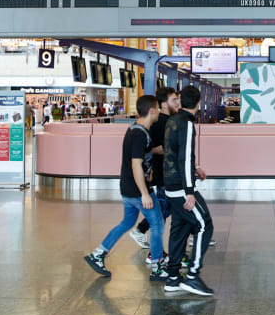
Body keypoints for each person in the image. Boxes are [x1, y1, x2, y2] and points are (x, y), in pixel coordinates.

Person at [84, 95, 167, 281]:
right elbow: (136, 165)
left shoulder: (134, 129)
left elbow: (138, 154)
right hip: (138, 190)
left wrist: (154, 150)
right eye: (158, 109)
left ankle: (98, 254)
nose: (159, 112)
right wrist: (145, 194)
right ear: (151, 111)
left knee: (127, 223)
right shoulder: (140, 134)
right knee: (157, 223)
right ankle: (157, 267)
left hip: (127, 188)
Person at [163, 85, 214, 296]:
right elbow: (184, 158)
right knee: (204, 224)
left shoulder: (172, 120)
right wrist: (189, 191)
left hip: (169, 184)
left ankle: (173, 277)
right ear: (199, 103)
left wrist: (195, 168)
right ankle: (193, 276)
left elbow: (174, 153)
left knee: (180, 227)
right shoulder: (187, 123)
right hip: (181, 187)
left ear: (181, 101)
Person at [130, 87, 180, 259]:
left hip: (168, 173)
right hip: (162, 173)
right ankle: (153, 250)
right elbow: (151, 148)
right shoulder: (159, 123)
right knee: (162, 212)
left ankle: (143, 233)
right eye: (174, 100)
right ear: (163, 104)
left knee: (165, 209)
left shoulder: (170, 120)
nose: (178, 103)